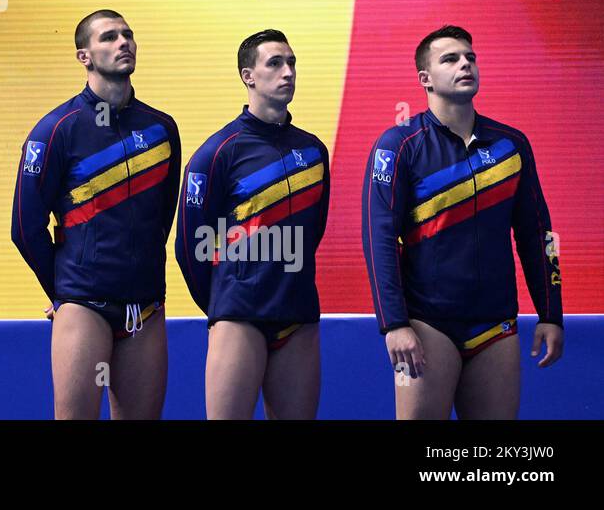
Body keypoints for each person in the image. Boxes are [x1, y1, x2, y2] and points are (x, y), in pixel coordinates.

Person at [362, 24, 564, 419]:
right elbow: (378, 239)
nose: (465, 64)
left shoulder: (512, 145)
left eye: (470, 57)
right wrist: (393, 325)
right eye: (450, 59)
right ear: (425, 79)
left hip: (496, 325)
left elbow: (538, 235)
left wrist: (550, 313)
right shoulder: (397, 145)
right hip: (424, 325)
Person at [12, 10, 179, 419]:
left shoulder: (161, 128)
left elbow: (163, 217)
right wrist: (64, 293)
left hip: (146, 307)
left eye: (127, 35)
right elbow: (25, 227)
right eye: (108, 37)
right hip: (84, 306)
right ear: (83, 56)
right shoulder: (56, 129)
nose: (123, 42)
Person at [175, 30, 328, 419]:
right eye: (275, 63)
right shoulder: (217, 152)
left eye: (292, 62)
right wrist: (224, 302)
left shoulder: (313, 151)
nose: (288, 72)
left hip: (298, 315)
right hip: (239, 316)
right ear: (249, 76)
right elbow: (191, 247)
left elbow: (312, 233)